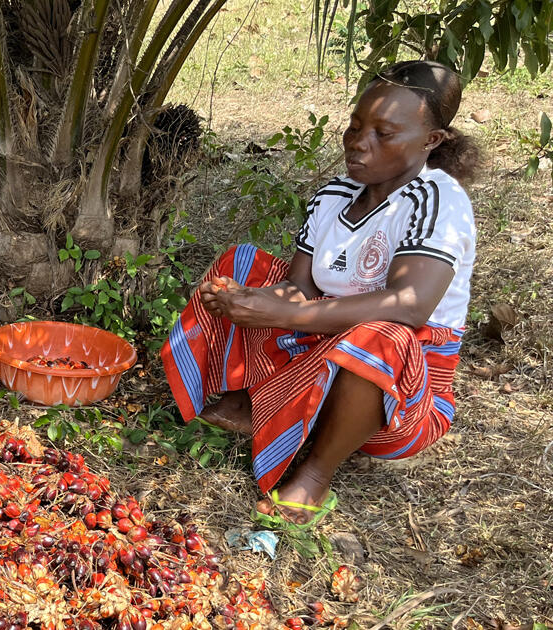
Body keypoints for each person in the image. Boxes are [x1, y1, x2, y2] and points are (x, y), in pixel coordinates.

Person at [161, 60, 479, 525]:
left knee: (382, 335)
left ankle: (316, 471)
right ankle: (257, 401)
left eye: (384, 133)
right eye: (355, 125)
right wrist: (253, 300)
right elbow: (301, 288)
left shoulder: (437, 200)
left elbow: (410, 305)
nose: (358, 141)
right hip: (321, 347)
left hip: (402, 396)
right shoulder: (335, 194)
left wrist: (282, 314)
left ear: (431, 141)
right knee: (243, 264)